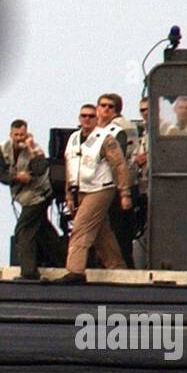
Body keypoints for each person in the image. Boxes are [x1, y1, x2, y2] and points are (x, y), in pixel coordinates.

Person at [46, 104, 132, 284]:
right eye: (83, 116)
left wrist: (125, 192)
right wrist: (69, 194)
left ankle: (75, 270)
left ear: (96, 118)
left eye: (91, 116)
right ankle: (117, 267)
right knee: (101, 232)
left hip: (100, 189)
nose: (87, 119)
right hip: (80, 190)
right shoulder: (73, 139)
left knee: (81, 227)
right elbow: (70, 167)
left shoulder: (106, 139)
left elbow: (119, 165)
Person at [0, 119, 52, 281]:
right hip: (22, 196)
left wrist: (31, 149)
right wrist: (16, 177)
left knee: (23, 231)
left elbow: (41, 169)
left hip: (38, 196)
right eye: (16, 135)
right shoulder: (3, 149)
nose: (19, 138)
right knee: (43, 232)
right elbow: (0, 173)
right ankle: (62, 259)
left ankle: (29, 272)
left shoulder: (35, 149)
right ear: (11, 134)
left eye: (22, 135)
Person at [94, 93, 138, 268]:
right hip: (126, 183)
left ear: (116, 109)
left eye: (109, 106)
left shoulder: (117, 129)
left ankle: (116, 264)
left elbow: (116, 159)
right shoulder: (127, 126)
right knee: (121, 232)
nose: (104, 110)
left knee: (116, 229)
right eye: (102, 106)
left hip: (117, 185)